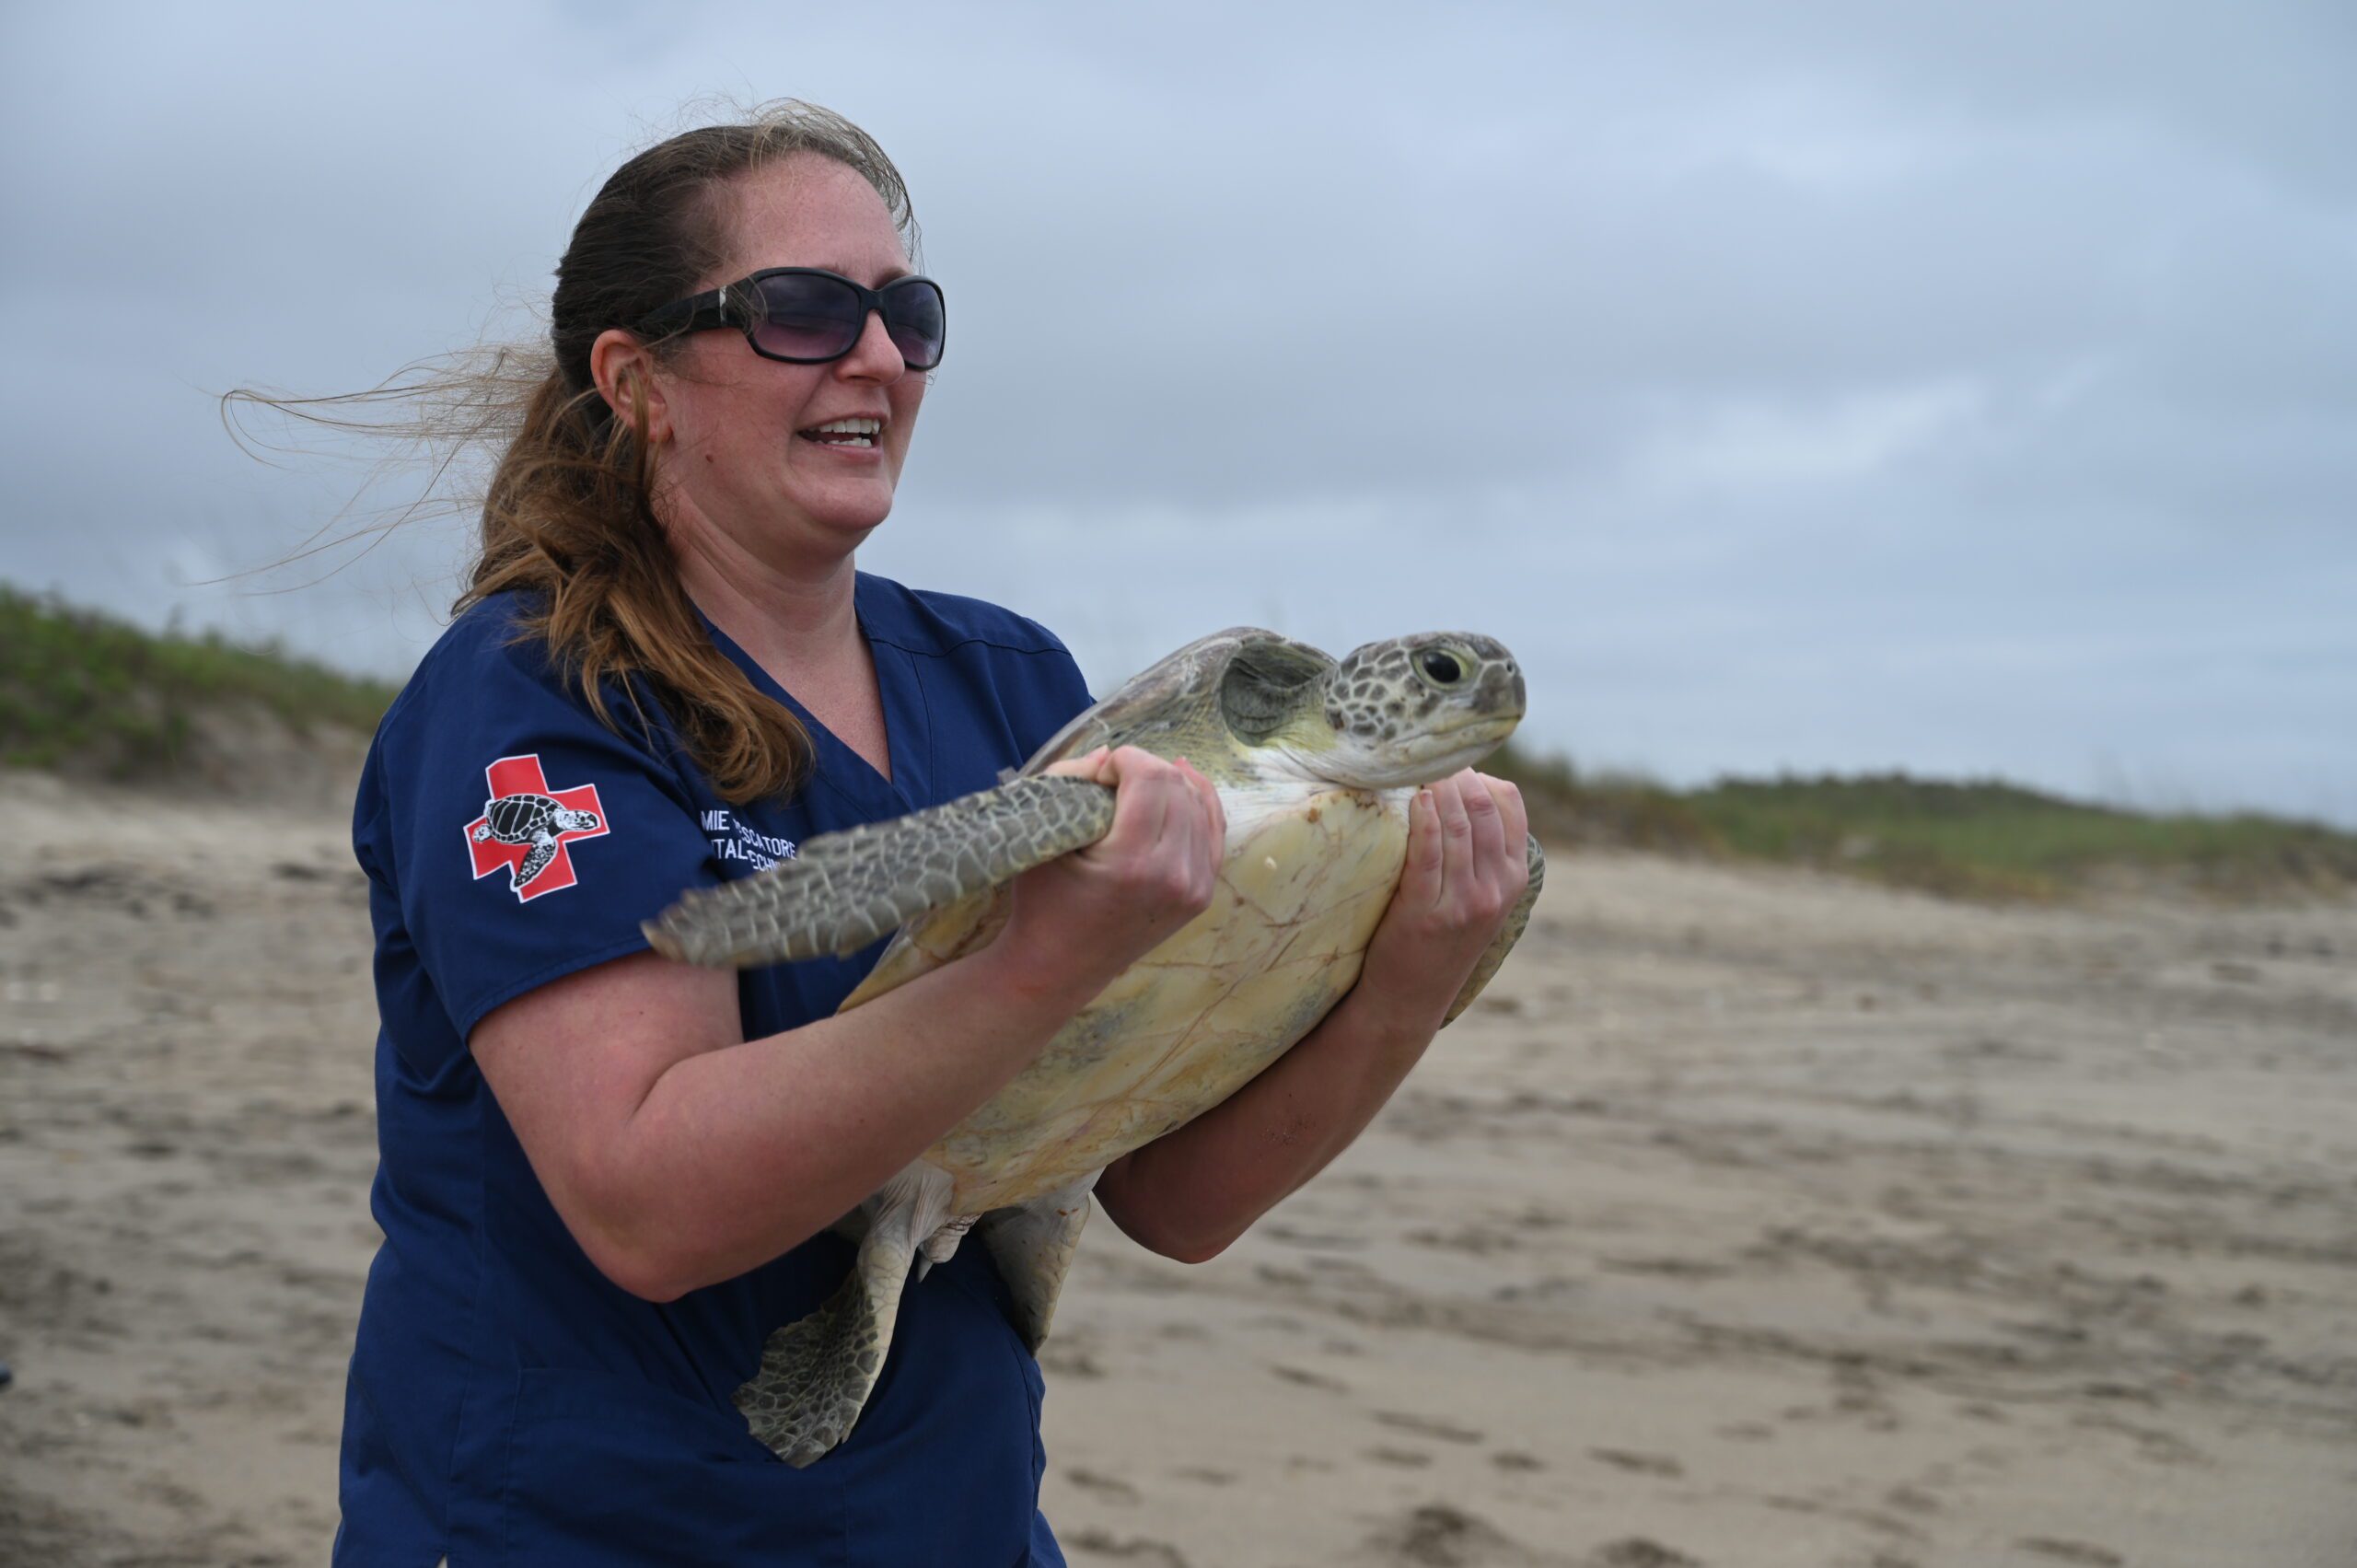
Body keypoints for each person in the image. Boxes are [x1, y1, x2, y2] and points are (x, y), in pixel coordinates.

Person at [331, 101, 1529, 1566]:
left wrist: (1412, 984)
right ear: (637, 379)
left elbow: (1174, 1198)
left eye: (908, 313)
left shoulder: (1007, 682)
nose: (880, 355)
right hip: (589, 1529)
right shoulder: (532, 702)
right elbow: (649, 1205)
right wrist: (1040, 962)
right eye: (801, 310)